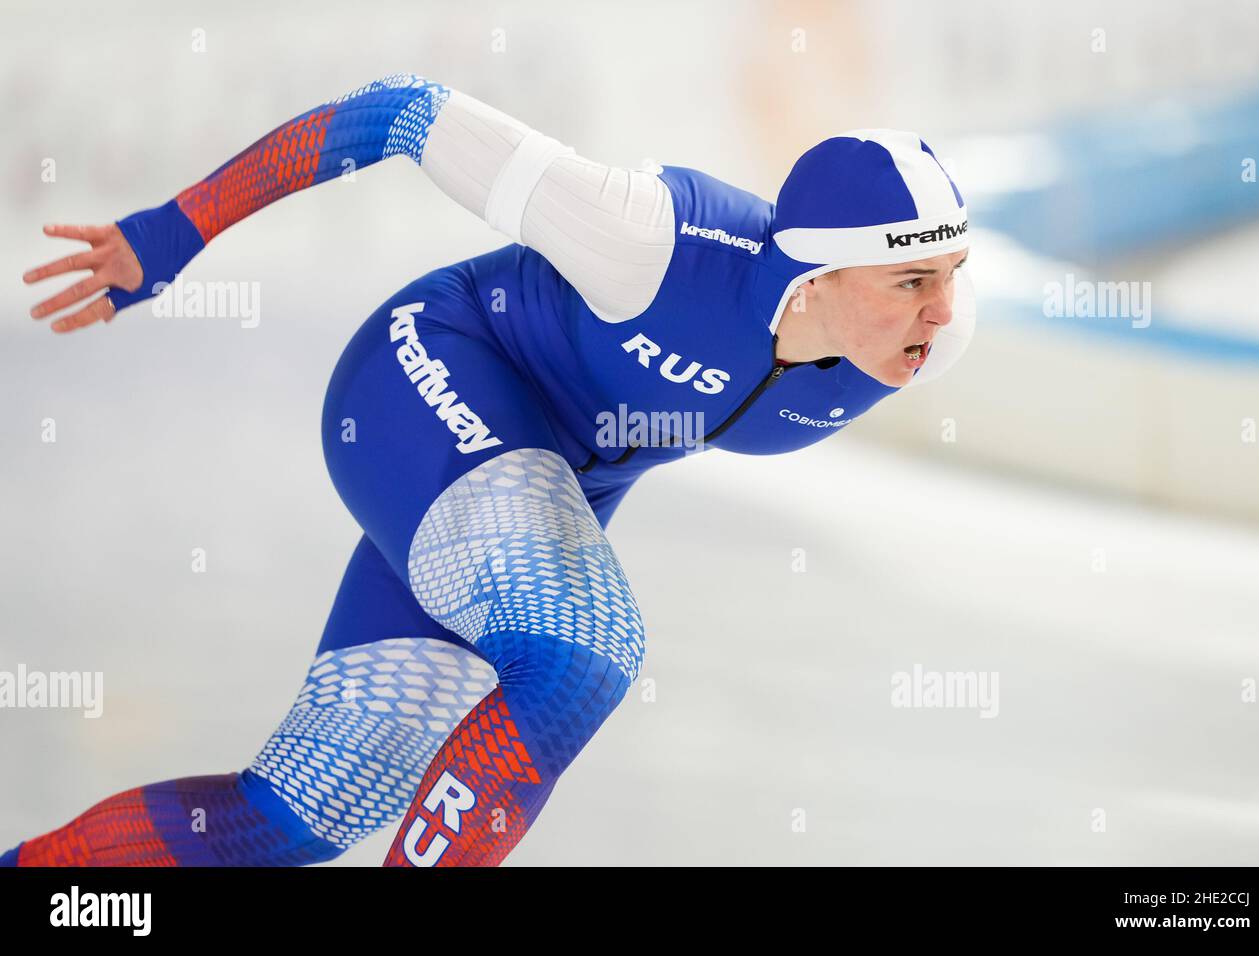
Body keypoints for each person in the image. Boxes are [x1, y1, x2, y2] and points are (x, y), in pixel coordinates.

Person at [7, 73, 974, 867]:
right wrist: (173, 233)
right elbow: (400, 112)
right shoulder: (648, 238)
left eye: (954, 273)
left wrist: (924, 290)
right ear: (819, 269)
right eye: (912, 282)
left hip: (533, 487)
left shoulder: (931, 334)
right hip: (425, 380)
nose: (942, 312)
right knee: (578, 651)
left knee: (293, 814)